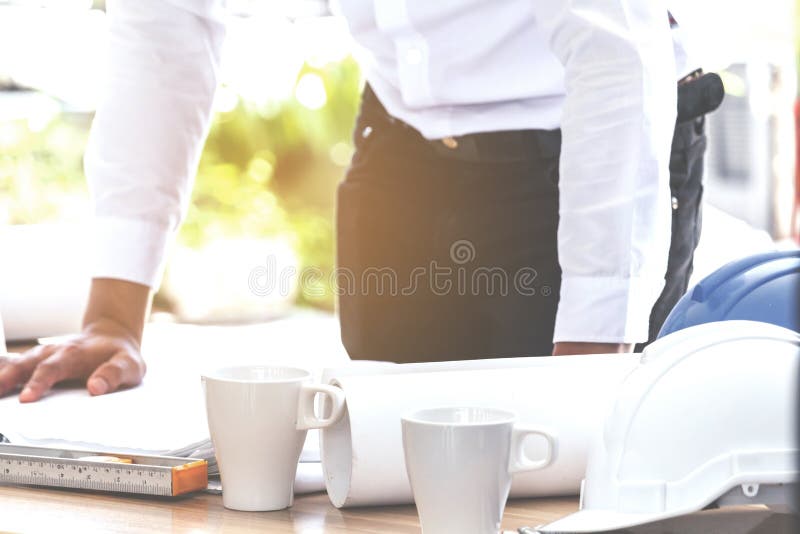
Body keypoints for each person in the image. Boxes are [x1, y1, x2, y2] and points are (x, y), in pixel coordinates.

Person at [0, 0, 709, 401]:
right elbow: (165, 20)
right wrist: (114, 317)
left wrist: (590, 363)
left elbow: (614, 57)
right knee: (375, 459)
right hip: (406, 136)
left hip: (590, 138)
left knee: (564, 473)